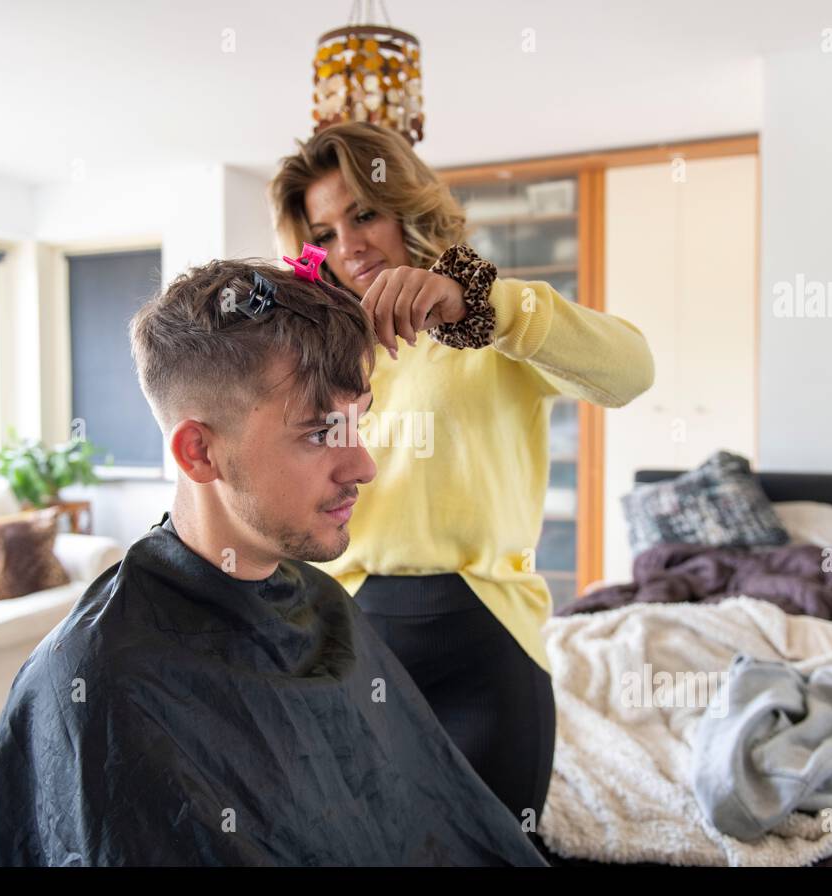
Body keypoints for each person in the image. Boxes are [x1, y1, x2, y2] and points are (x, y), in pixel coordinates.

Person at [0, 257, 548, 866]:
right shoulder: (97, 677)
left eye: (359, 423)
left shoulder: (323, 606)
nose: (364, 467)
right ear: (199, 452)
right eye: (321, 433)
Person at [269, 121, 656, 828]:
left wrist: (486, 307)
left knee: (493, 844)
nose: (348, 245)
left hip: (487, 638)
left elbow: (633, 371)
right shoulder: (319, 356)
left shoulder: (488, 326)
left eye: (364, 214)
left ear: (407, 208)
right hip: (351, 634)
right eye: (322, 232)